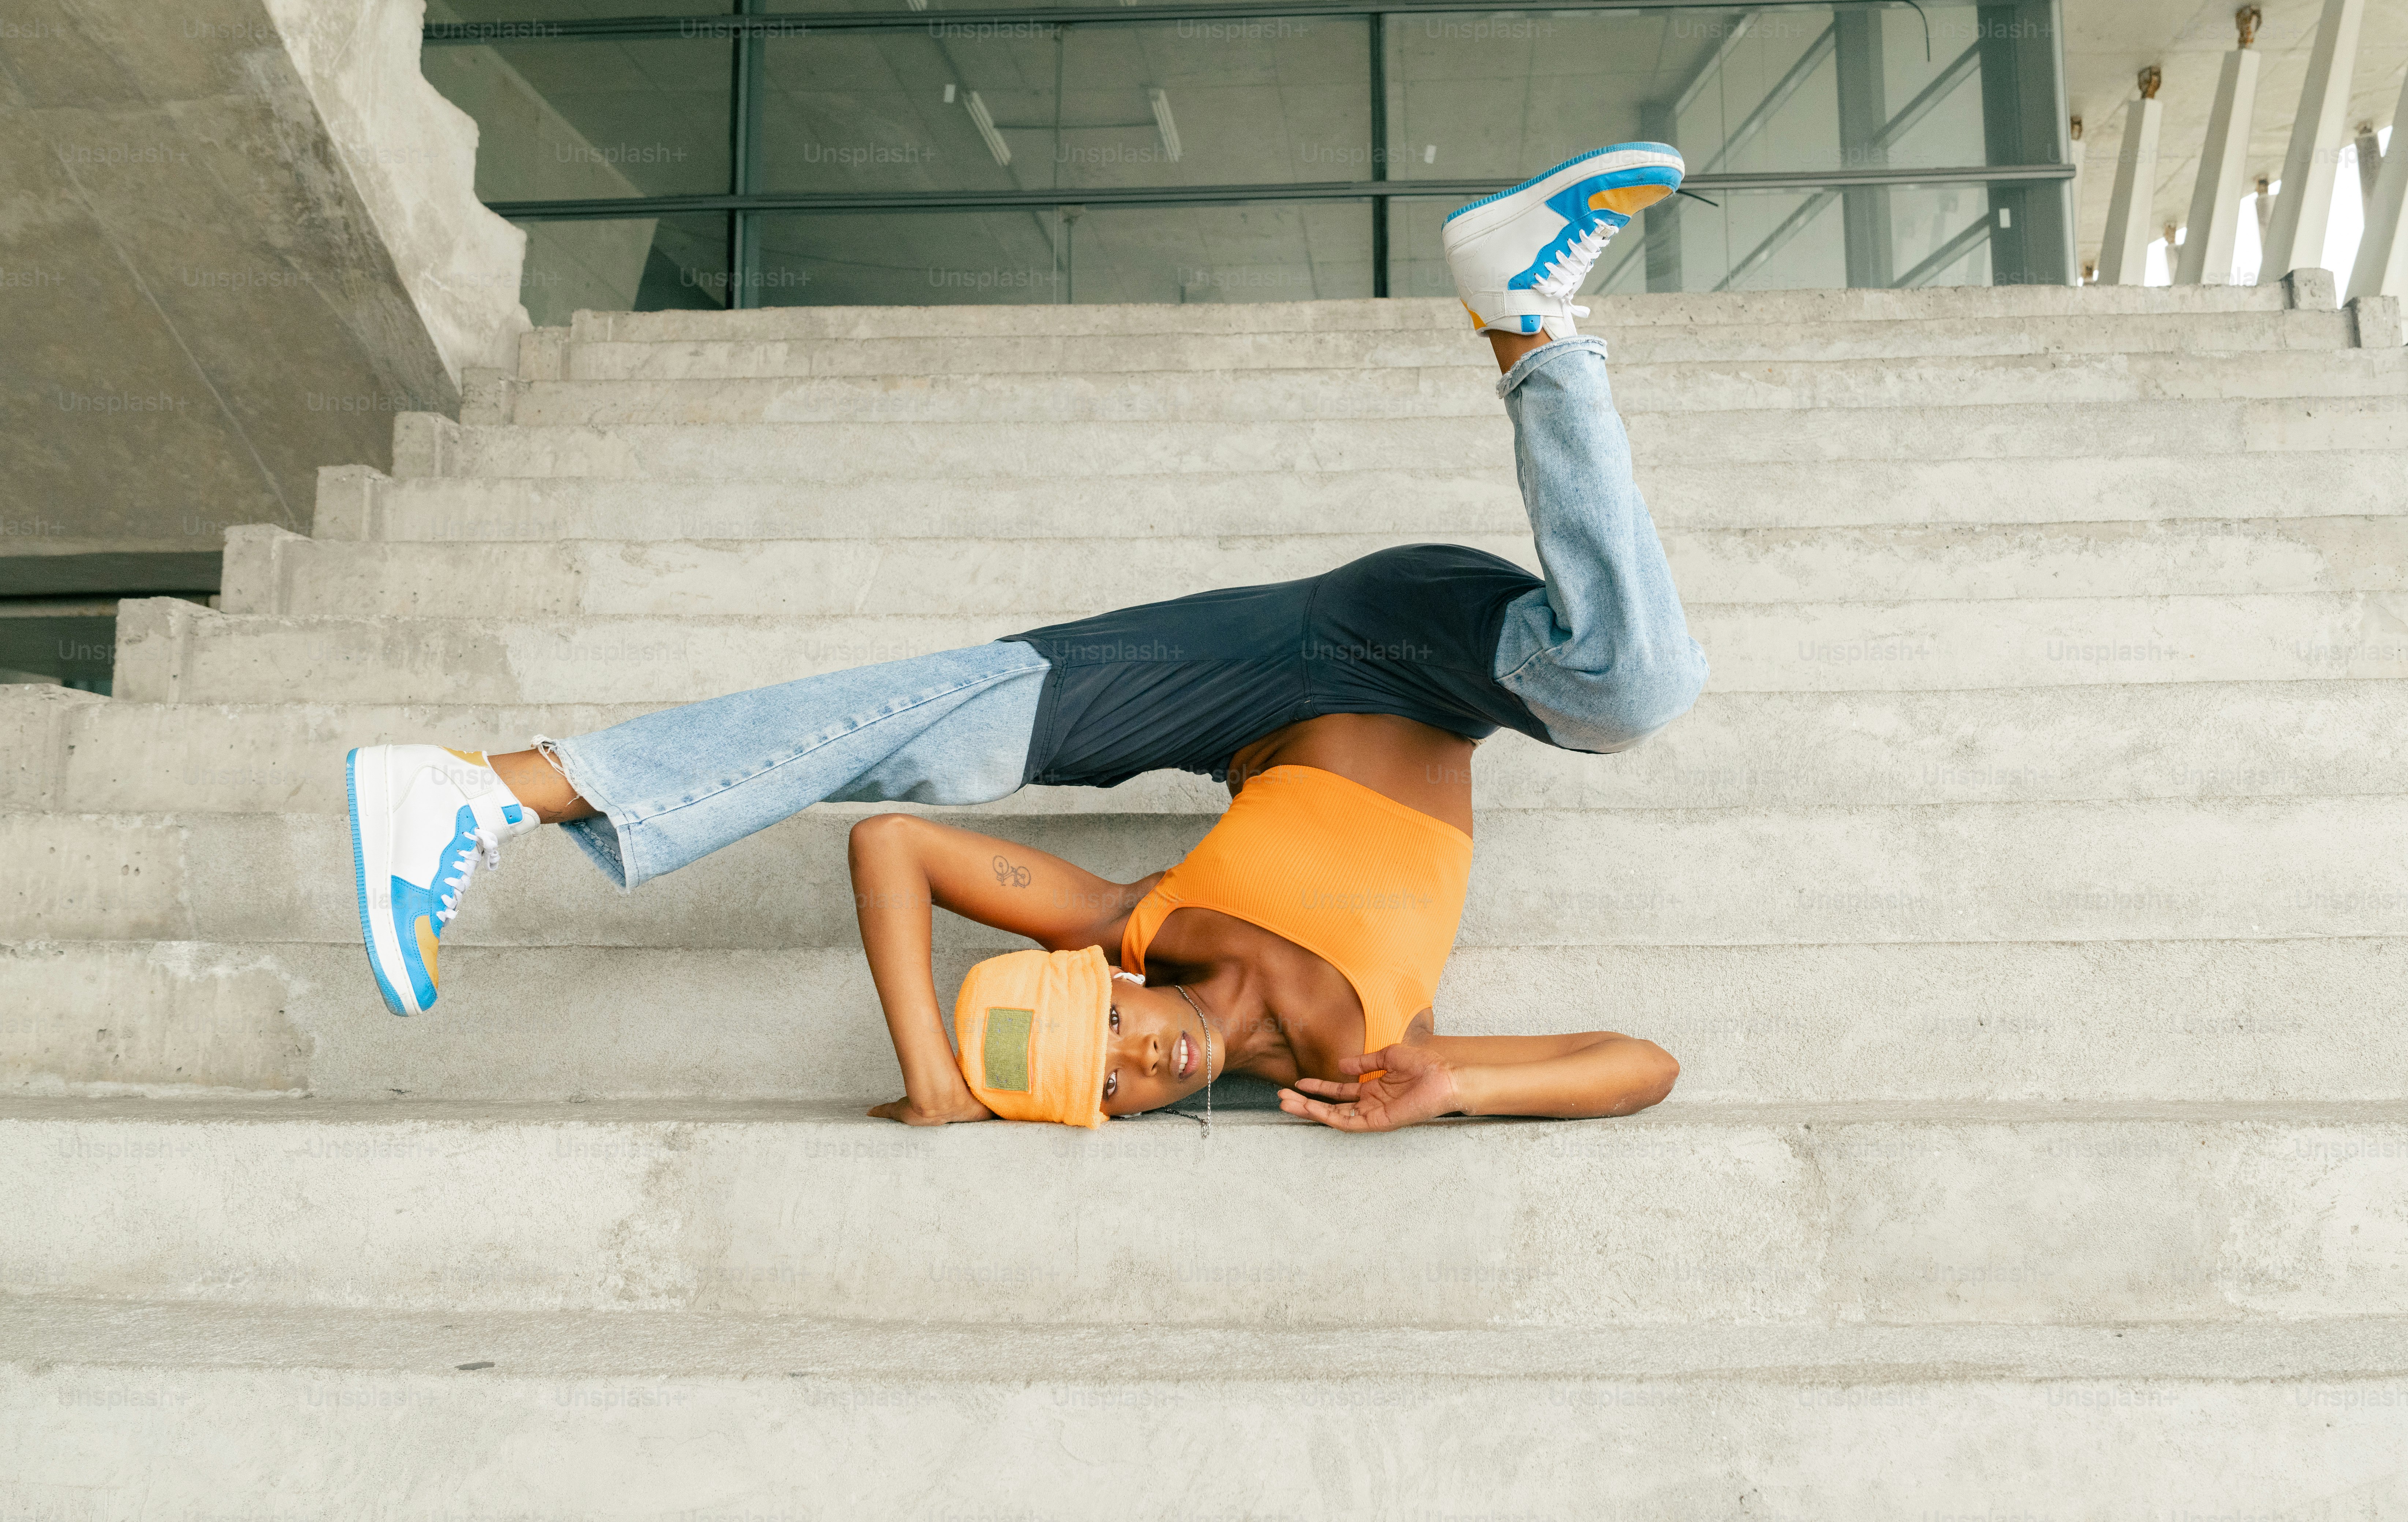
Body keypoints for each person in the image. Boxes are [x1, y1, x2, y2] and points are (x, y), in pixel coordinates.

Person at [346, 142, 1709, 1135]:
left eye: (1098, 1038)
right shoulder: (1366, 1051)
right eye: (1106, 1093)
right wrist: (1459, 1084)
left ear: (1092, 983)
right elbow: (1636, 1064)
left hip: (1280, 650)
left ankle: (493, 786)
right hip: (1426, 665)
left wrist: (933, 1069)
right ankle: (1535, 327)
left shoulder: (1132, 928)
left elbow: (892, 848)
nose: (1135, 1066)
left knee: (952, 738)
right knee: (1626, 688)